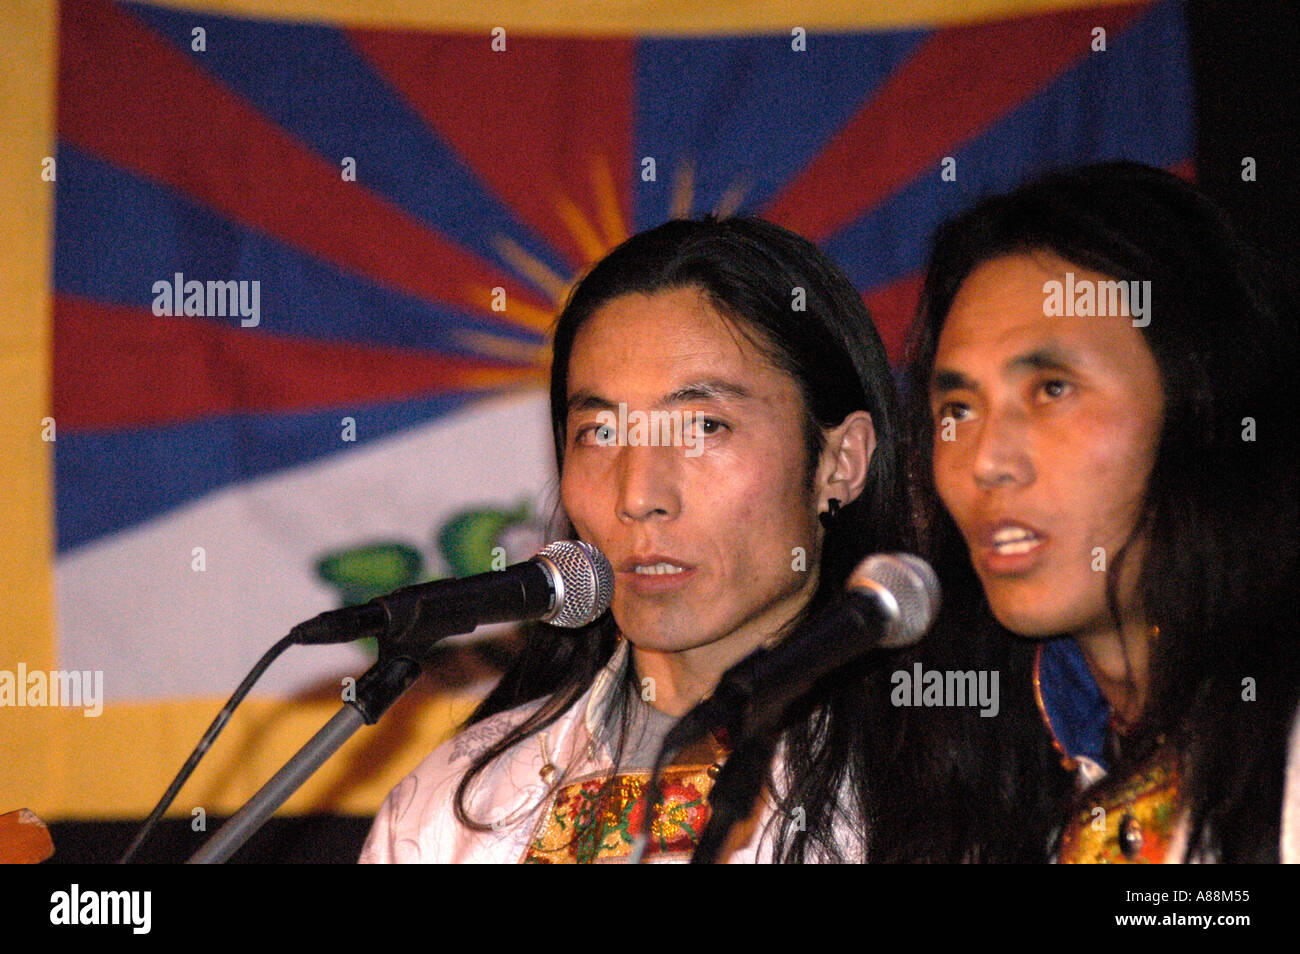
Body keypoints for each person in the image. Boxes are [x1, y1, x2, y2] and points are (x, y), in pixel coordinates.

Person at [360, 216, 912, 863]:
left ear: (838, 462)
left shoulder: (946, 788)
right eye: (598, 433)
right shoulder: (450, 813)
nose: (637, 494)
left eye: (703, 426)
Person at [864, 161, 1297, 862]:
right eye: (958, 408)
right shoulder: (974, 758)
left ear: (1204, 404)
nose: (986, 460)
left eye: (1052, 390)